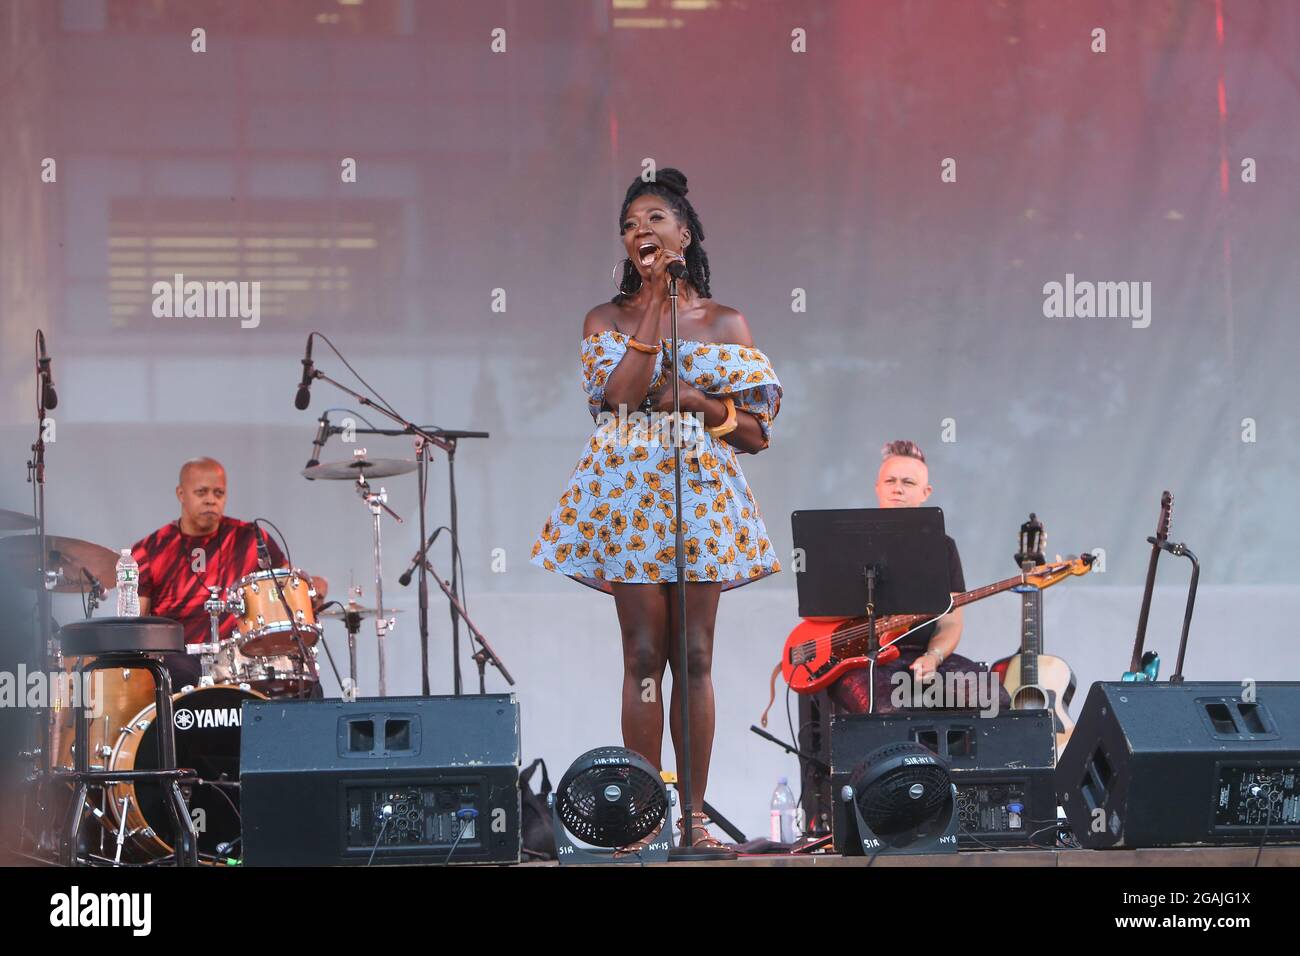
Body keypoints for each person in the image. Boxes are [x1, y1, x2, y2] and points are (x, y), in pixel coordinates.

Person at [531, 168, 782, 849]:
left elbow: (757, 433)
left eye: (654, 220)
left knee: (694, 654)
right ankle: (641, 816)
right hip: (628, 498)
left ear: (685, 233)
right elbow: (618, 398)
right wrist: (655, 303)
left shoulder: (726, 322)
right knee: (644, 655)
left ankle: (695, 819)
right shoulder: (606, 319)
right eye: (631, 225)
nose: (641, 230)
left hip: (700, 499)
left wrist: (700, 403)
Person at [827, 440, 1009, 715]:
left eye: (908, 483)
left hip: (923, 655)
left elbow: (951, 621)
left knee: (993, 696)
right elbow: (823, 612)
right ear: (878, 487)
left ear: (926, 492)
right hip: (863, 663)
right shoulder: (850, 543)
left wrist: (933, 657)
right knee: (887, 706)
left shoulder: (942, 546)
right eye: (890, 480)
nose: (897, 488)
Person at [131, 457, 328, 691]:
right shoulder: (151, 549)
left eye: (218, 493)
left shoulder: (253, 539)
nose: (211, 500)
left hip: (242, 654)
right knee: (177, 675)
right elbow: (136, 622)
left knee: (306, 684)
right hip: (181, 656)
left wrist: (312, 589)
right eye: (201, 492)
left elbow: (285, 589)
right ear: (181, 494)